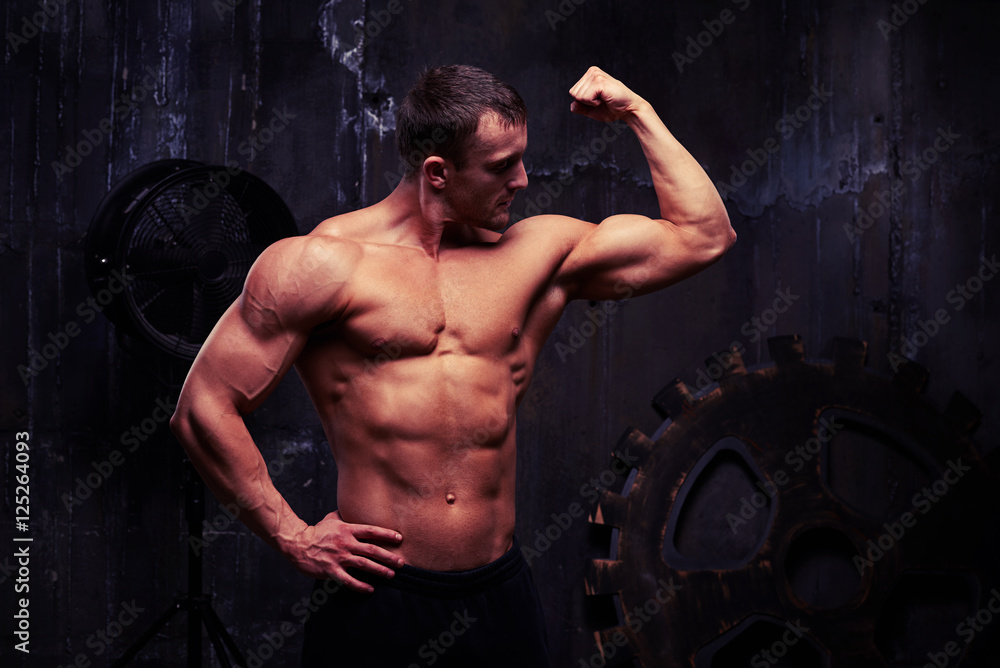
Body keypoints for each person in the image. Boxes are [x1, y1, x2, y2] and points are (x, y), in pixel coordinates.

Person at [170, 64, 735, 667]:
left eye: (521, 159)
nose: (522, 180)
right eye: (500, 166)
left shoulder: (537, 254)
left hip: (498, 594)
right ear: (437, 172)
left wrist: (636, 112)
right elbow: (202, 406)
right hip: (377, 597)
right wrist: (293, 535)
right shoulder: (321, 265)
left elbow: (704, 235)